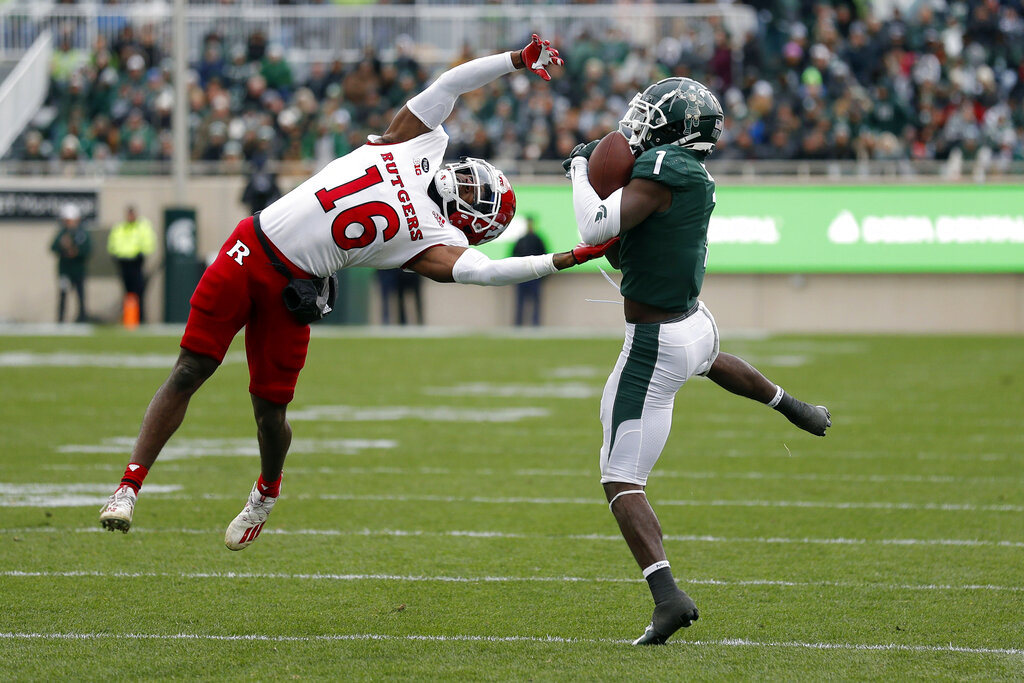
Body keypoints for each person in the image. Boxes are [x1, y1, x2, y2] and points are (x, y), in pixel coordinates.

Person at [99, 34, 617, 551]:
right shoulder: (416, 144)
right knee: (190, 369)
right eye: (477, 178)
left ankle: (266, 491)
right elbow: (450, 83)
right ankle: (128, 486)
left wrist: (564, 258)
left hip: (293, 292)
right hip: (250, 246)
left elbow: (488, 273)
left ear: (472, 222)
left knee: (268, 411)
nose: (468, 181)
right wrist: (515, 61)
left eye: (480, 194)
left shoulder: (433, 242)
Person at [566, 77, 831, 646]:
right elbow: (622, 243)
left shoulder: (665, 165)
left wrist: (576, 172)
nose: (638, 123)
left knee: (620, 480)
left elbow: (594, 228)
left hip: (654, 341)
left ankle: (668, 598)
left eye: (649, 115)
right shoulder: (685, 173)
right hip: (694, 323)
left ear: (674, 127)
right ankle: (793, 406)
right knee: (711, 360)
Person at [107, 205, 157, 323]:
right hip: (123, 263)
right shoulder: (120, 227)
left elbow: (149, 243)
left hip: (137, 263)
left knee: (139, 291)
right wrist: (116, 256)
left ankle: (140, 318)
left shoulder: (142, 227)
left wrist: (141, 254)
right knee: (127, 293)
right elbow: (113, 244)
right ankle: (129, 318)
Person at [50, 203, 91, 323]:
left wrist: (76, 251)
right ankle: (61, 319)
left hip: (78, 270)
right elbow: (53, 247)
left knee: (80, 296)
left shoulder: (82, 234)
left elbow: (88, 249)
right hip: (65, 270)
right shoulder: (62, 233)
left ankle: (82, 318)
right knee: (63, 295)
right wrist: (62, 246)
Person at [511, 214, 548, 326]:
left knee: (535, 301)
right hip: (522, 276)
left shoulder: (538, 240)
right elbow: (513, 256)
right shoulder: (521, 240)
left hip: (535, 276)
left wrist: (544, 276)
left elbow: (546, 256)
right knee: (520, 301)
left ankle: (535, 324)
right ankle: (518, 324)